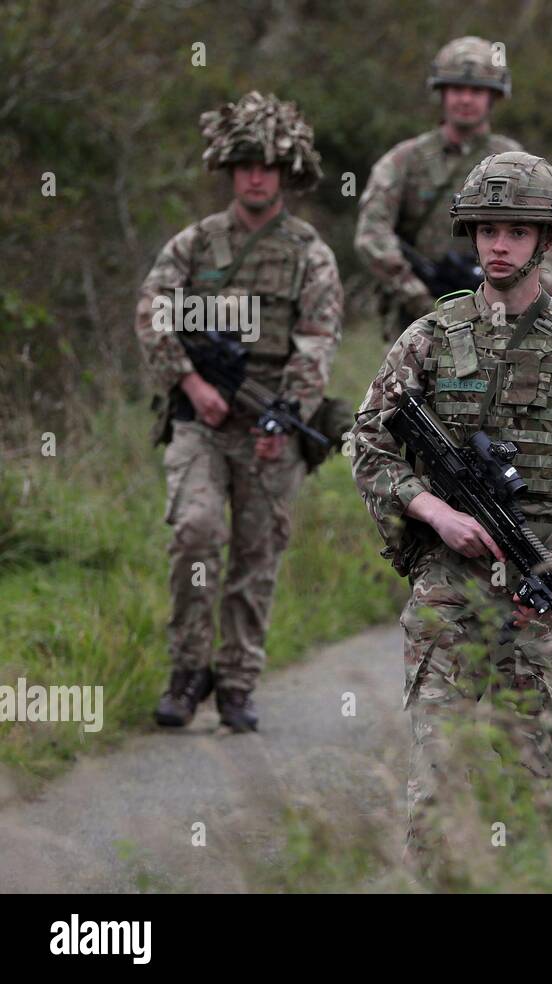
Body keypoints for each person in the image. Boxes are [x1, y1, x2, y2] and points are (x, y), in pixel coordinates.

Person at [351, 152, 552, 868]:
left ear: (547, 240)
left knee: (533, 776)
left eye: (516, 230)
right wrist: (432, 513)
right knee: (439, 775)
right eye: (485, 230)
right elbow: (367, 441)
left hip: (541, 585)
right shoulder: (429, 338)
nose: (498, 245)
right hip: (449, 581)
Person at [135, 91, 342, 732]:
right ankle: (186, 670)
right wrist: (191, 383)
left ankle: (236, 683)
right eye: (246, 163)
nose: (256, 175)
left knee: (257, 557)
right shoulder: (194, 245)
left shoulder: (310, 253)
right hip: (200, 421)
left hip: (268, 423)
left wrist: (285, 417)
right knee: (195, 532)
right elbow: (153, 312)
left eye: (268, 164)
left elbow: (317, 342)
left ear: (287, 173)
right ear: (229, 168)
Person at [354, 36, 552, 340]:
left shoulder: (518, 162)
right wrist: (416, 293)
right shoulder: (405, 160)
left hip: (501, 317)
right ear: (442, 93)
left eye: (476, 90)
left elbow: (547, 237)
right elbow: (371, 235)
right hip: (418, 321)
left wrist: (532, 296)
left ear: (493, 97)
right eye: (457, 89)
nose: (465, 99)